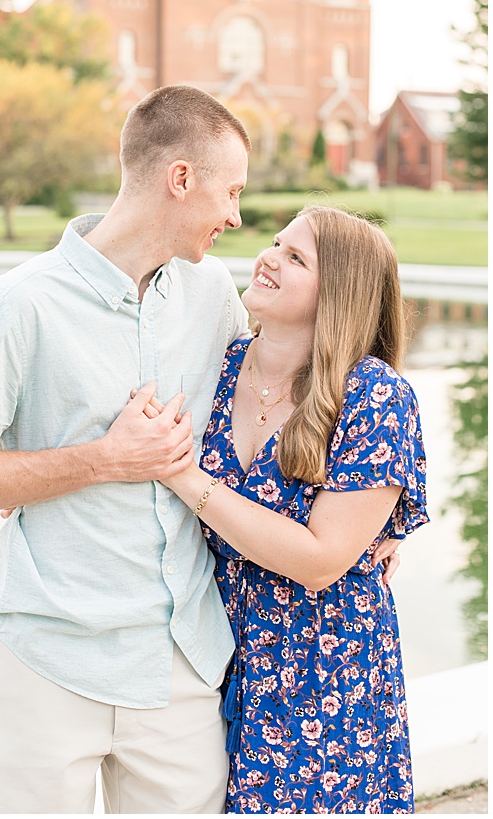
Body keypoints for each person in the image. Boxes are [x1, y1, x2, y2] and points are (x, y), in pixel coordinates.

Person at [0, 84, 253, 813]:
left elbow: (265, 421)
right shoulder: (20, 304)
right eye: (232, 192)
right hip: (45, 664)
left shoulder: (213, 291)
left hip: (180, 669)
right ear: (181, 179)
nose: (236, 215)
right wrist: (99, 460)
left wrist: (367, 520)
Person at [148, 206, 427, 812]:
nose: (268, 256)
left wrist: (184, 477)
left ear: (339, 293)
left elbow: (321, 559)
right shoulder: (217, 369)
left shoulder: (374, 394)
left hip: (329, 684)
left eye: (295, 256)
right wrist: (38, 483)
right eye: (276, 243)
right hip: (216, 666)